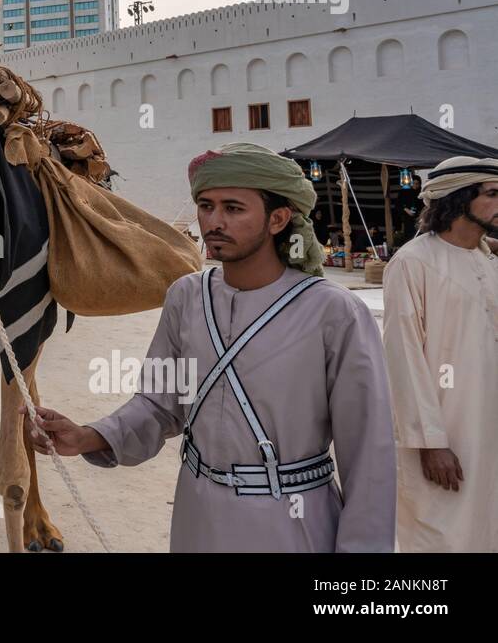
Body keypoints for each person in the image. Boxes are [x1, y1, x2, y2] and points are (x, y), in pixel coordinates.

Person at [24, 142, 396, 551]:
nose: (213, 221)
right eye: (206, 205)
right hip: (196, 517)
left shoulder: (334, 311)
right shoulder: (186, 296)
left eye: (233, 208)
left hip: (290, 523)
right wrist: (88, 436)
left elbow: (369, 457)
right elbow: (159, 404)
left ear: (278, 219)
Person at [382, 156, 498, 552]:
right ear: (458, 199)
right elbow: (404, 356)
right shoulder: (413, 263)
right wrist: (431, 442)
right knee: (443, 534)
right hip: (445, 433)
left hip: (489, 426)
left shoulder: (487, 260)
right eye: (493, 194)